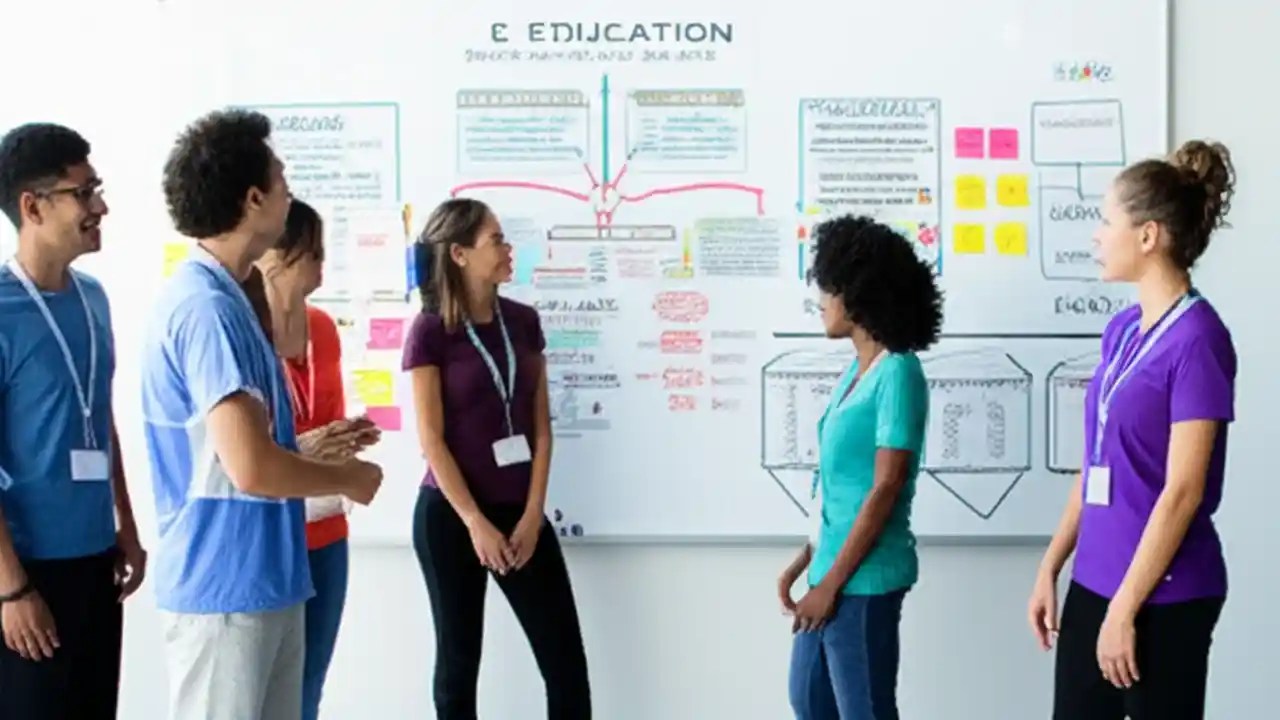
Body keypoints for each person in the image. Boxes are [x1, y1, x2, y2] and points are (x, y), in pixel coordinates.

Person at [141, 108, 383, 720]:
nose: (288, 191)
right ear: (254, 198)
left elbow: (233, 455)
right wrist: (349, 478)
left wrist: (309, 449)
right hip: (224, 585)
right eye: (282, 180)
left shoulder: (232, 300)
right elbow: (249, 470)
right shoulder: (204, 308)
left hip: (269, 578)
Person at [1027, 140, 1237, 720]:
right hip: (1095, 581)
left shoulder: (1199, 341)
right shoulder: (1122, 330)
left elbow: (1184, 492)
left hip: (1164, 595)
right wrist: (1052, 564)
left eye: (1105, 220)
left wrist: (1126, 610)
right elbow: (1097, 461)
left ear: (1148, 236)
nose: (1096, 234)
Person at [402, 197, 591, 719]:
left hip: (520, 511)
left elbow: (542, 430)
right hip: (451, 515)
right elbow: (432, 440)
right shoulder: (429, 330)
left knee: (566, 669)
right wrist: (474, 524)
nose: (509, 250)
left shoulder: (524, 323)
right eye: (497, 241)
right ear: (459, 254)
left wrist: (533, 515)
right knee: (459, 668)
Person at [0, 123, 147, 720]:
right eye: (83, 193)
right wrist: (10, 588)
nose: (100, 206)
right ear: (32, 206)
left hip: (96, 562)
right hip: (27, 574)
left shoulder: (94, 297)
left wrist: (126, 524)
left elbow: (99, 418)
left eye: (97, 189)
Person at [779, 214, 942, 720]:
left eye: (829, 288)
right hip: (829, 570)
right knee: (809, 699)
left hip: (864, 580)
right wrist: (806, 560)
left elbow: (884, 487)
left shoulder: (898, 372)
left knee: (863, 712)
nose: (821, 300)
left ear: (860, 291)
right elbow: (838, 486)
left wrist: (829, 586)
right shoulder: (856, 371)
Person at [247, 198, 381, 720]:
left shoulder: (323, 328)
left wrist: (345, 437)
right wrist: (305, 447)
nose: (322, 268)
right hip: (272, 532)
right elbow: (238, 452)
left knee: (308, 688)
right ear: (276, 254)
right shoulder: (242, 330)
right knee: (263, 691)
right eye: (312, 255)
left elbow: (325, 415)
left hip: (327, 530)